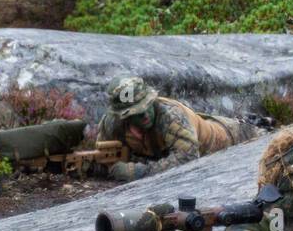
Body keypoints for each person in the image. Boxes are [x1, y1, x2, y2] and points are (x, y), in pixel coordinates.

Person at [98, 75, 262, 181]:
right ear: (123, 115)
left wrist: (138, 172)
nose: (145, 114)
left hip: (229, 137)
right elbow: (103, 154)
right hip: (196, 131)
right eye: (137, 113)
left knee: (265, 138)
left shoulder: (170, 115)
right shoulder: (113, 123)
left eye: (147, 105)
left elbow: (187, 159)